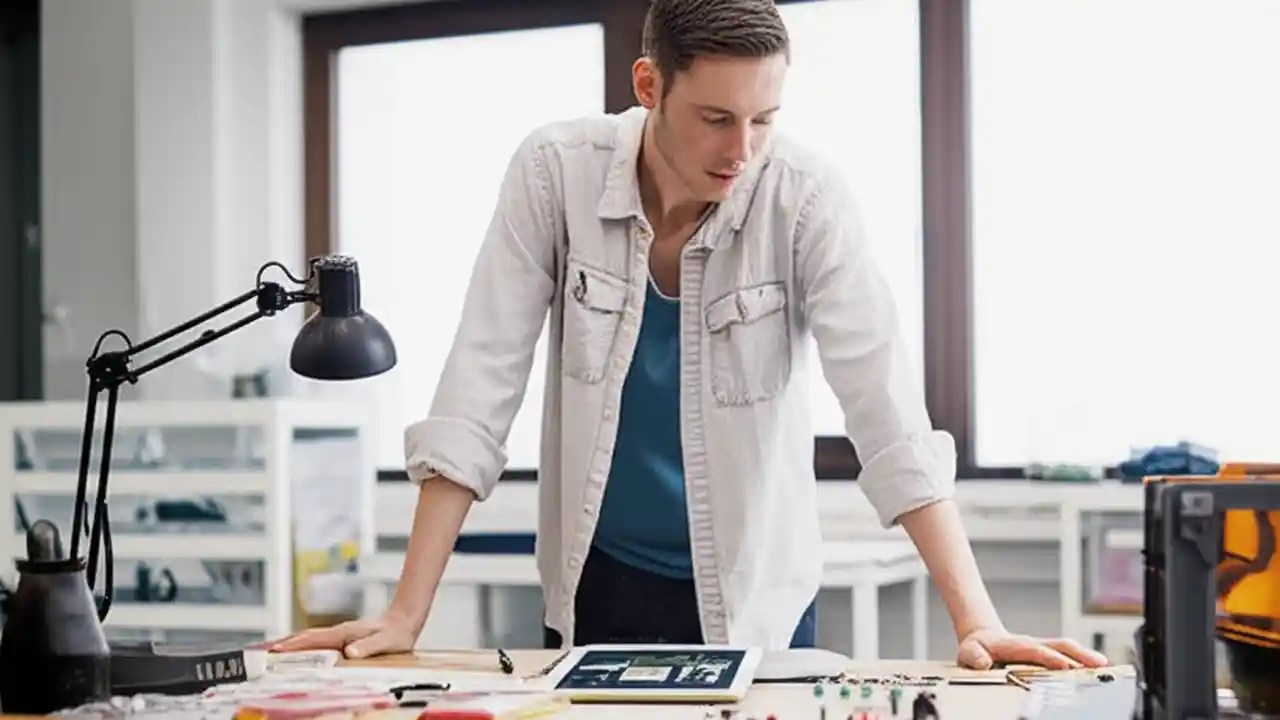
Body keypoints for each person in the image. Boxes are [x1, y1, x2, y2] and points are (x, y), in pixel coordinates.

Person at [276, 0, 1107, 671]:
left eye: (764, 120)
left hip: (758, 597)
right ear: (648, 84)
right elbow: (479, 384)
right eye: (716, 118)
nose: (741, 150)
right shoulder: (553, 172)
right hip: (598, 583)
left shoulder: (806, 198)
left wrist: (979, 619)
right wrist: (406, 611)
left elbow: (886, 411)